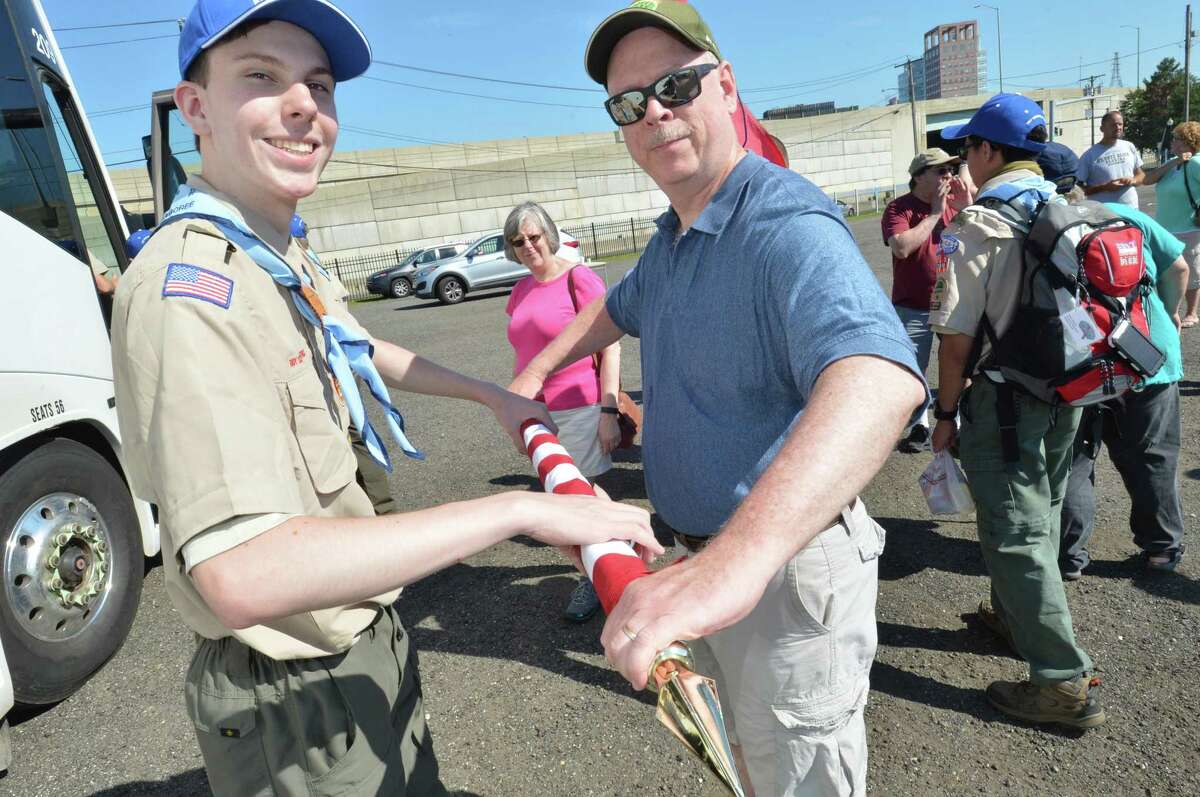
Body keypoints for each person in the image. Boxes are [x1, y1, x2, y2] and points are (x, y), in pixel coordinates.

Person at [109, 3, 659, 795]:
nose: (304, 106)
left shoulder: (275, 251)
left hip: (356, 645)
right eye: (261, 77)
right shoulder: (195, 290)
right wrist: (519, 512)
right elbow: (242, 571)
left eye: (320, 85)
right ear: (194, 107)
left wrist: (491, 395)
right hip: (295, 693)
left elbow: (358, 347)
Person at [512, 3, 926, 793]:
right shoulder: (673, 235)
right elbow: (615, 307)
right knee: (744, 763)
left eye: (676, 84)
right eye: (630, 102)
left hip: (780, 571)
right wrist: (533, 376)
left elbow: (881, 374)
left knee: (800, 776)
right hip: (703, 560)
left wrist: (733, 561)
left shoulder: (783, 223)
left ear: (726, 84)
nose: (656, 111)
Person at [931, 93, 1104, 730]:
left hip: (1005, 402)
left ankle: (1061, 683)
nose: (965, 161)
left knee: (1015, 532)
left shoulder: (981, 223)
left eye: (968, 148)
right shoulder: (1066, 207)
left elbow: (955, 335)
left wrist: (945, 413)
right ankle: (1014, 618)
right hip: (1068, 393)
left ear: (989, 150)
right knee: (1045, 507)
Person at [1037, 170, 1190, 579]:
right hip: (1145, 353)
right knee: (1152, 457)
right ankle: (1161, 550)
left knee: (1075, 460)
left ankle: (1069, 557)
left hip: (1082, 362)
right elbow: (1178, 266)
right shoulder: (1123, 214)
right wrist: (1171, 311)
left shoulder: (1039, 227)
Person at [504, 200, 621, 623]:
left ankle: (602, 578)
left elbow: (611, 346)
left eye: (534, 237)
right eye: (518, 241)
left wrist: (608, 410)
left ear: (549, 235)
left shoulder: (579, 279)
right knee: (561, 499)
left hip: (580, 407)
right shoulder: (520, 290)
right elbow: (525, 350)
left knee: (583, 499)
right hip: (536, 411)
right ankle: (600, 565)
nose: (528, 246)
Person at [882, 148, 970, 452]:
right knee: (912, 370)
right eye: (940, 171)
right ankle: (919, 424)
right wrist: (934, 212)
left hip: (952, 303)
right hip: (912, 306)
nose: (948, 176)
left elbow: (975, 247)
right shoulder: (899, 208)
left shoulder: (955, 205)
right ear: (919, 176)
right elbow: (902, 248)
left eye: (950, 170)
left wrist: (967, 208)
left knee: (957, 367)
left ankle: (955, 423)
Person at [1141, 121, 1200, 328]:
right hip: (1165, 229)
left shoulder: (1195, 163)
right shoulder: (1175, 163)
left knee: (1191, 272)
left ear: (1187, 142)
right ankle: (1170, 311)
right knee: (1166, 272)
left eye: (1176, 138)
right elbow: (1147, 180)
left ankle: (1192, 312)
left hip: (1188, 227)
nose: (1172, 141)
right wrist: (1173, 162)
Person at [1076, 110, 1144, 208]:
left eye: (1120, 124)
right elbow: (1078, 190)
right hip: (1105, 215)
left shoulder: (1129, 146)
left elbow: (1141, 175)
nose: (1118, 128)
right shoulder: (1089, 155)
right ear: (1102, 129)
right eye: (1113, 125)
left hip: (1131, 211)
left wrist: (1133, 180)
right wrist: (1105, 187)